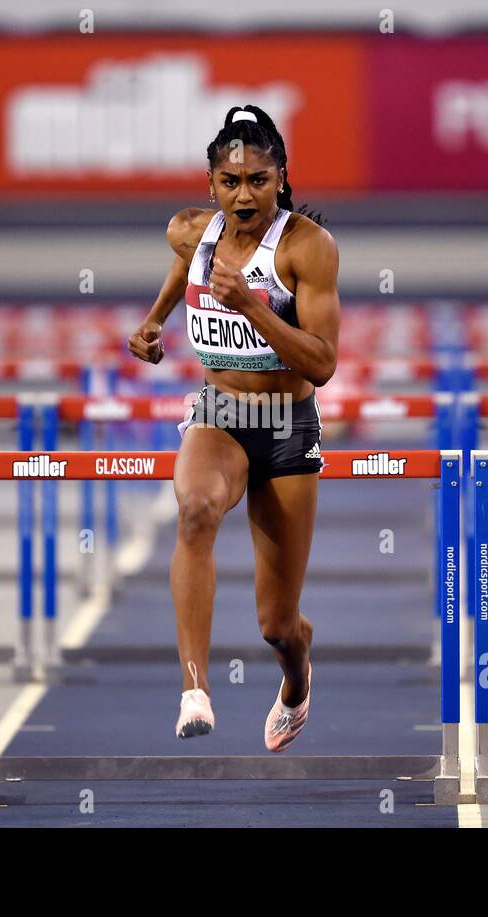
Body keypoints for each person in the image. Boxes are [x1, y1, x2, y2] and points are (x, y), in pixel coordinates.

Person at [126, 106, 340, 750]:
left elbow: (323, 363)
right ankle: (196, 689)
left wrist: (249, 303)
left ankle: (297, 679)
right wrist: (155, 321)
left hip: (286, 421)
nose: (244, 195)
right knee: (194, 509)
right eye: (230, 181)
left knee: (276, 623)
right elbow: (186, 265)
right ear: (211, 183)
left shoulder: (306, 248)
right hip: (219, 410)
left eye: (258, 180)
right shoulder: (191, 231)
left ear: (281, 178)